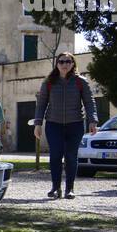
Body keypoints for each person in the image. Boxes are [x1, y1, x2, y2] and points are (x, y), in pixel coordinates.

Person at [33, 50, 98, 199]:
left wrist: (92, 121)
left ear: (73, 64)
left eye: (68, 61)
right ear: (57, 64)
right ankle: (55, 188)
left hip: (75, 124)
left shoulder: (80, 81)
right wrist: (38, 123)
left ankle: (70, 189)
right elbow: (41, 103)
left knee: (71, 156)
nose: (64, 64)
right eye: (61, 61)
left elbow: (89, 102)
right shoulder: (49, 82)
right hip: (53, 124)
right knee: (55, 155)